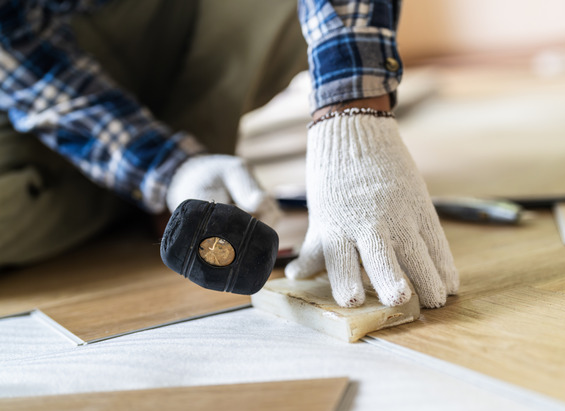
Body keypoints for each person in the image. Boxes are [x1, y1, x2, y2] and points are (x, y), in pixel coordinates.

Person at [0, 0, 458, 308]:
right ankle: (151, 183)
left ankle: (150, 181)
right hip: (27, 74)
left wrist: (352, 112)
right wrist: (169, 170)